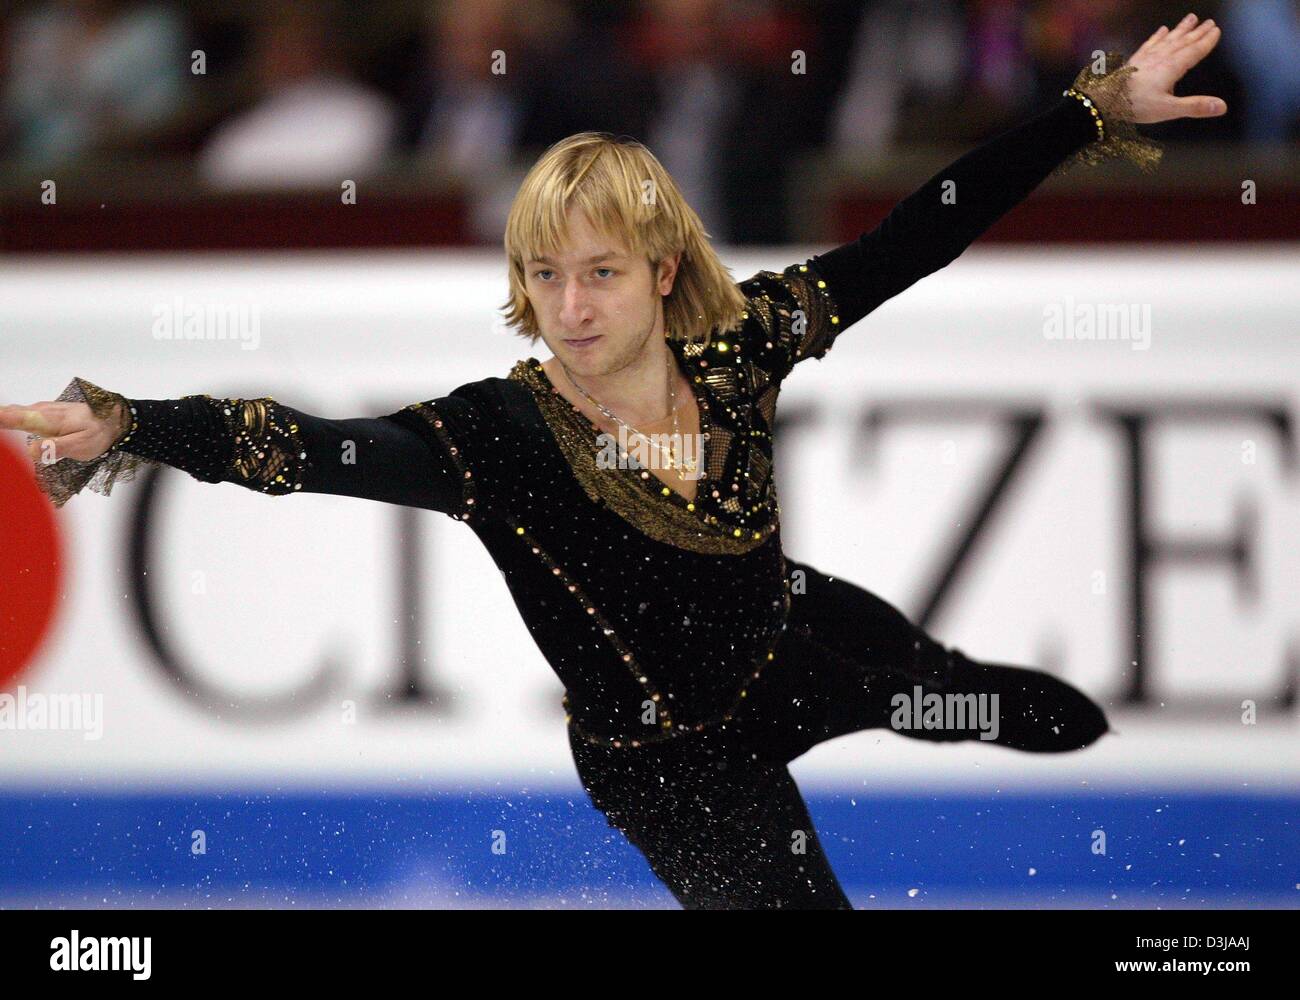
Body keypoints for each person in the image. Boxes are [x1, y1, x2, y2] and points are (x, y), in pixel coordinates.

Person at [1, 15, 1226, 909]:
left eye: (597, 272)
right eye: (543, 275)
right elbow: (302, 446)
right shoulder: (501, 434)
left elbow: (921, 232)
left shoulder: (745, 341)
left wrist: (1088, 112)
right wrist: (131, 423)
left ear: (657, 268)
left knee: (1016, 712)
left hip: (796, 645)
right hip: (671, 765)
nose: (570, 307)